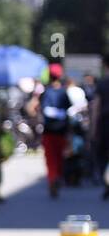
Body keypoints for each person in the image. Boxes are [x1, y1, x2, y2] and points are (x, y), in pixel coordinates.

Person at [38, 63, 73, 197]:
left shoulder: (46, 92)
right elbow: (68, 111)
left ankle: (53, 178)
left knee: (51, 158)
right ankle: (57, 176)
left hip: (49, 131)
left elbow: (44, 109)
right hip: (62, 130)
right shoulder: (64, 92)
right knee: (59, 157)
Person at [92, 54, 109, 198]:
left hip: (105, 124)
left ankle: (107, 184)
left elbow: (96, 108)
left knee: (102, 156)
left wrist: (92, 130)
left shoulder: (102, 83)